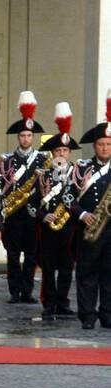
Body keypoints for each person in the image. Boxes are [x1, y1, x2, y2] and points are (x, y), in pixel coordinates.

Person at [0, 91, 45, 304]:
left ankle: (28, 291)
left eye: (28, 136)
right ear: (18, 137)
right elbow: (0, 187)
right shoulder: (7, 160)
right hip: (14, 214)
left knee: (32, 256)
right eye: (22, 136)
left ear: (32, 138)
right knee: (13, 255)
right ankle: (14, 291)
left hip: (34, 213)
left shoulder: (42, 159)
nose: (25, 139)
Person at [36, 104, 80, 320]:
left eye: (65, 151)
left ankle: (63, 302)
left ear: (69, 152)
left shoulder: (78, 174)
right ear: (52, 154)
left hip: (70, 227)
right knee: (48, 267)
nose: (61, 154)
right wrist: (44, 215)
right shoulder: (43, 176)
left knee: (66, 266)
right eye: (58, 151)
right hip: (49, 228)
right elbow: (31, 205)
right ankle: (49, 303)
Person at [72, 92, 111, 329]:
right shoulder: (81, 168)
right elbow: (68, 197)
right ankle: (87, 316)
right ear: (94, 146)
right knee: (87, 275)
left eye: (108, 144)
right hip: (90, 229)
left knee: (110, 276)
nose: (105, 148)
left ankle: (107, 315)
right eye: (101, 144)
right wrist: (82, 214)